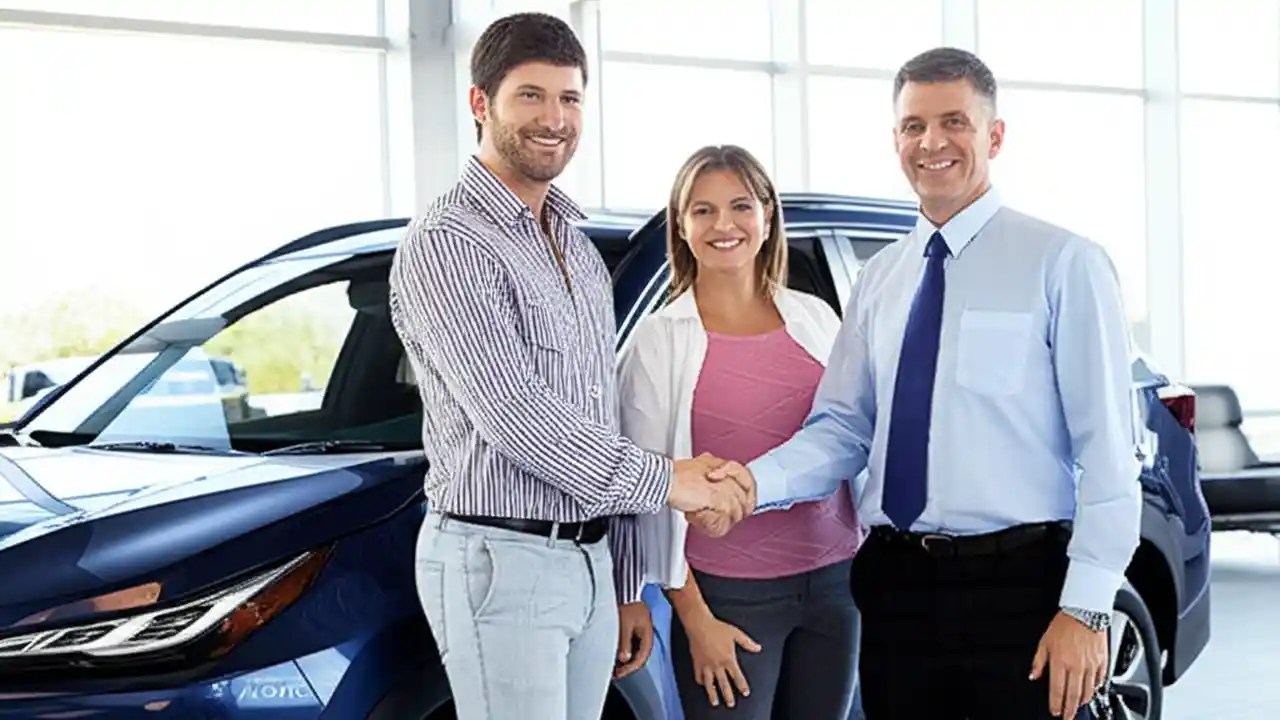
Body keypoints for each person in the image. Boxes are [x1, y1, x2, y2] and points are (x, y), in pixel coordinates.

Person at [704, 47, 1142, 720]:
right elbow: (844, 429)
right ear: (896, 141)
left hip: (1020, 587)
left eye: (954, 122)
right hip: (896, 586)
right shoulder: (883, 278)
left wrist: (1085, 607)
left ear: (994, 136)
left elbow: (1109, 452)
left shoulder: (1062, 263)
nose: (932, 142)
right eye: (913, 126)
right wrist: (753, 484)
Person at [386, 13, 752, 720]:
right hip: (501, 556)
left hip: (582, 559)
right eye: (531, 96)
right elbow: (520, 420)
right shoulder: (449, 244)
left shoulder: (575, 248)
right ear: (479, 103)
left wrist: (621, 582)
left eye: (570, 98)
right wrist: (673, 483)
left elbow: (598, 416)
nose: (555, 118)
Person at [618, 145, 863, 720]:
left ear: (767, 215)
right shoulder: (659, 340)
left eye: (740, 206)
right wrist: (695, 621)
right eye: (702, 211)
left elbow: (852, 438)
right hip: (728, 600)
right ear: (681, 225)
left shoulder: (816, 318)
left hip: (835, 589)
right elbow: (646, 489)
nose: (723, 225)